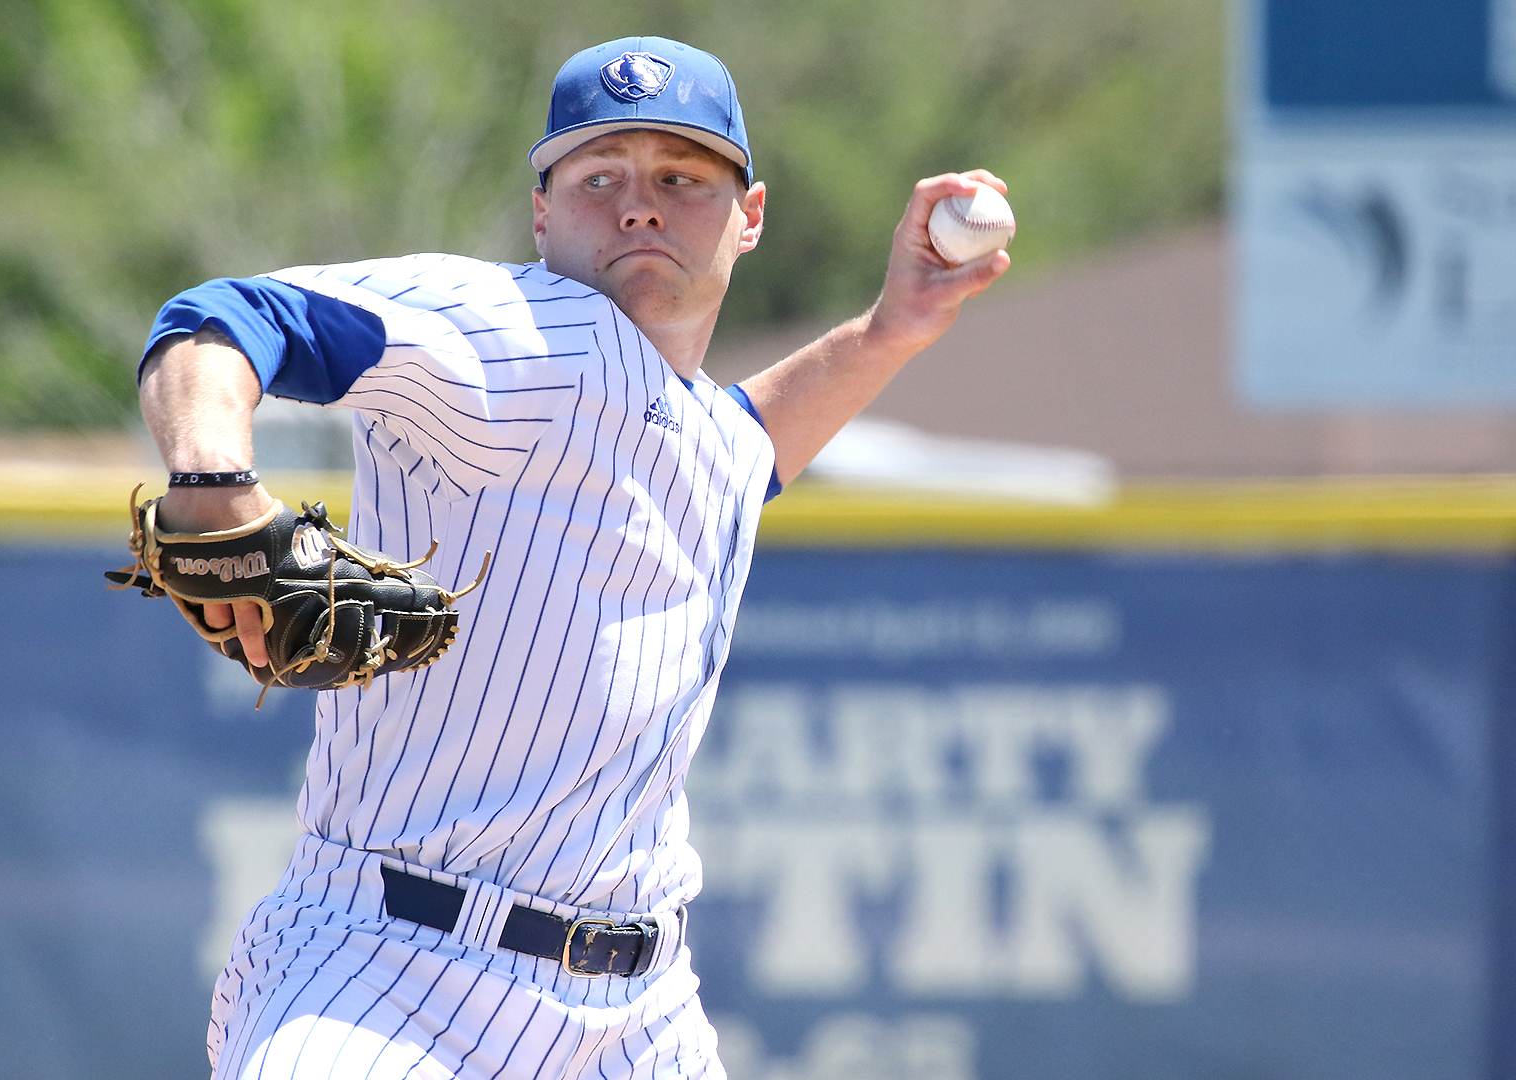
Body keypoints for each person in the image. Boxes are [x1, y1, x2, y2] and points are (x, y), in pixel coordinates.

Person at [138, 35, 1008, 1080]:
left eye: (680, 178)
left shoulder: (703, 434)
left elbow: (744, 445)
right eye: (601, 178)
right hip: (392, 980)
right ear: (543, 214)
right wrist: (206, 474)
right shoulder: (518, 330)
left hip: (639, 1014)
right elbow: (222, 319)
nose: (639, 204)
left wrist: (892, 326)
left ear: (751, 216)